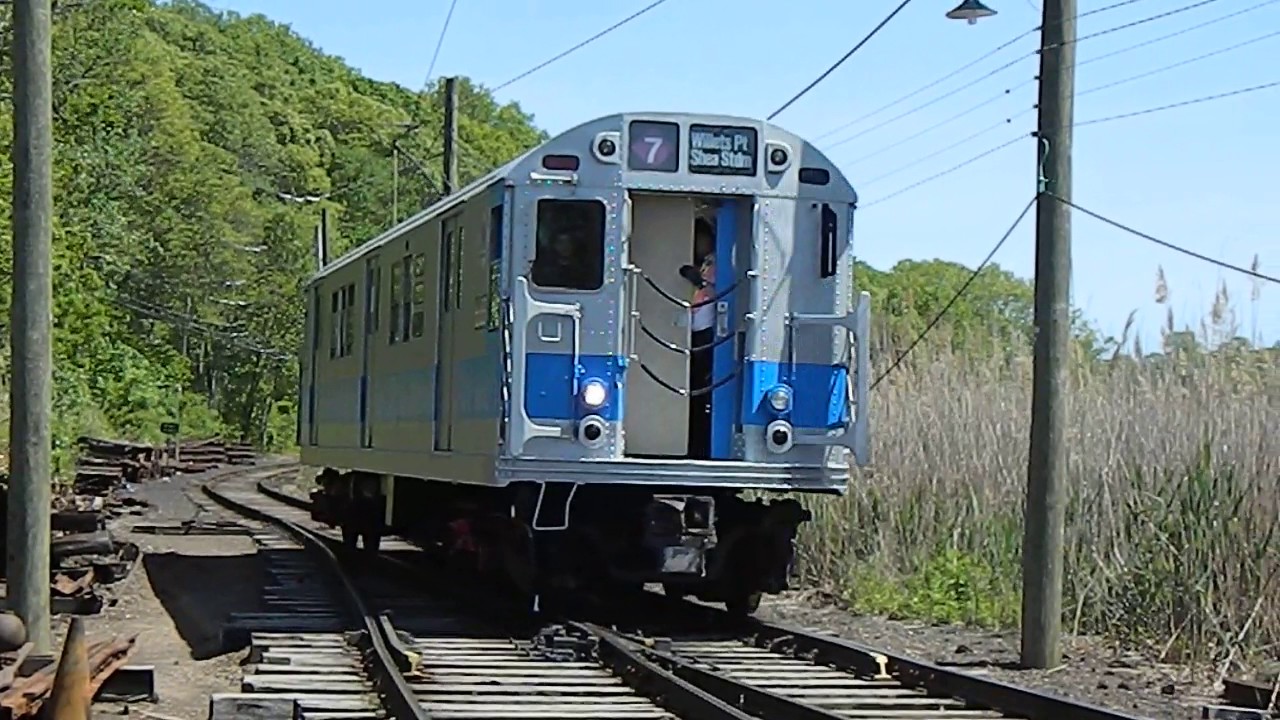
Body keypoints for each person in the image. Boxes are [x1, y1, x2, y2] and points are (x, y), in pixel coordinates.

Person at [681, 218, 717, 459]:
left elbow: (715, 288)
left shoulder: (716, 261)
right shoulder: (700, 262)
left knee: (701, 390)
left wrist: (700, 282)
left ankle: (701, 445)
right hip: (690, 331)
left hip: (708, 332)